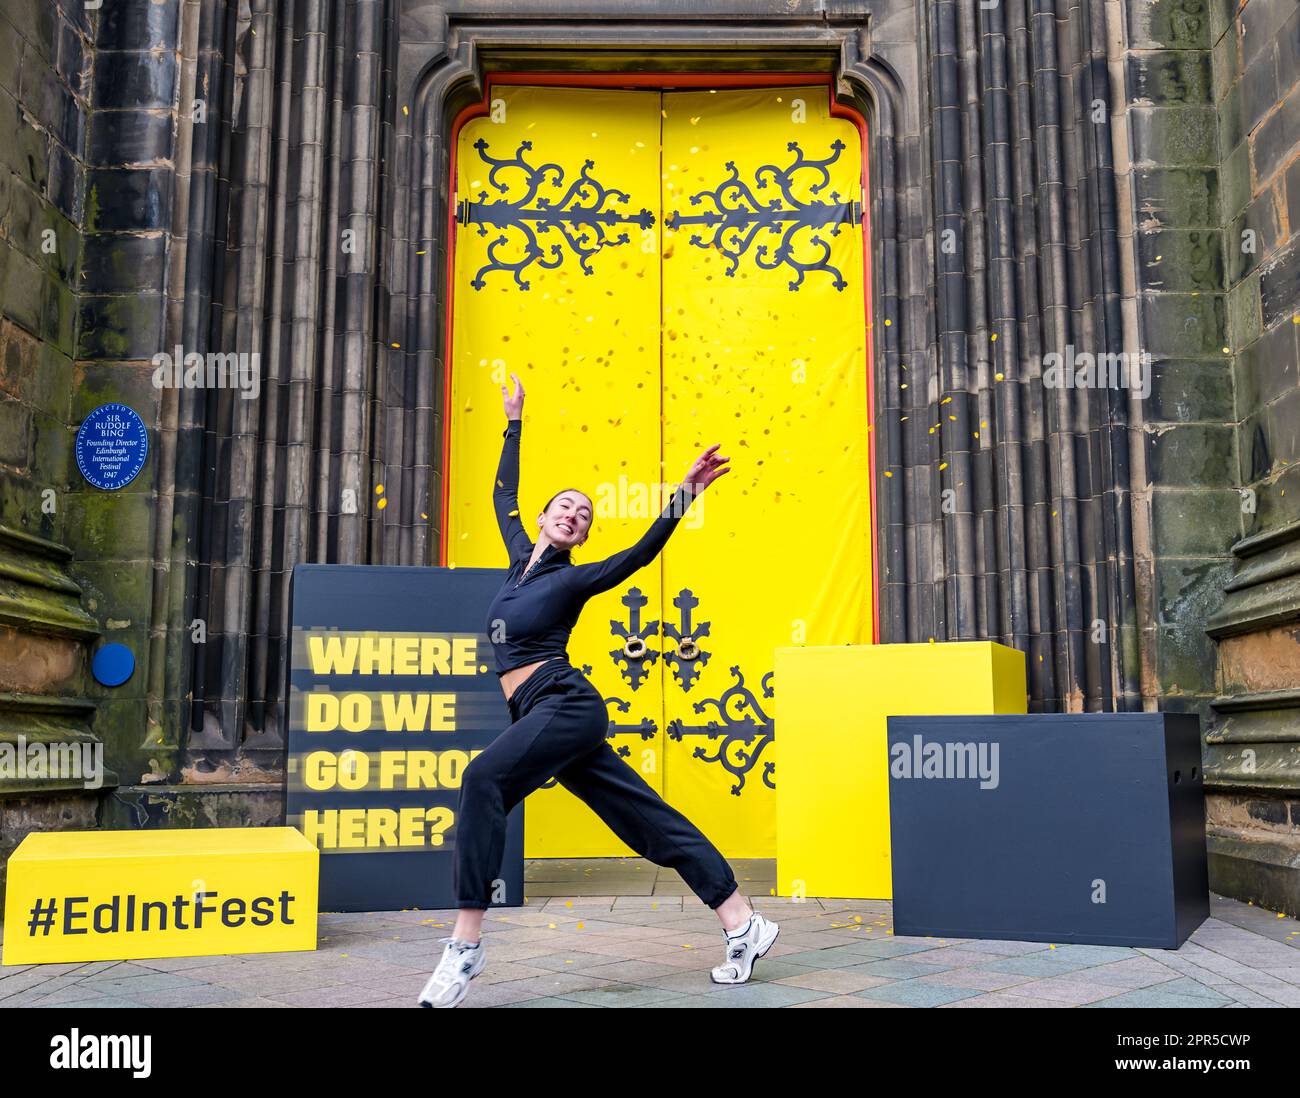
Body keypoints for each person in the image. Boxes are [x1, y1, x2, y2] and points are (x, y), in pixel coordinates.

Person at [418, 373, 779, 1007]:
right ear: (543, 518)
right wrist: (514, 421)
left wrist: (684, 494)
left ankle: (464, 949)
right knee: (645, 822)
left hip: (567, 704)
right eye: (565, 506)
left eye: (584, 514)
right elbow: (503, 491)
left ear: (582, 537)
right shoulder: (515, 566)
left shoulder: (574, 579)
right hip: (542, 715)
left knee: (481, 781)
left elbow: (640, 554)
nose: (574, 513)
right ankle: (742, 923)